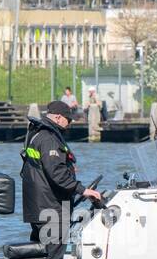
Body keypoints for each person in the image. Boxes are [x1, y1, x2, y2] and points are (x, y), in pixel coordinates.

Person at [20, 101, 103, 248]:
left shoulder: (38, 134)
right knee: (54, 257)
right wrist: (83, 190)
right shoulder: (49, 139)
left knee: (44, 254)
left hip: (38, 206)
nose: (70, 123)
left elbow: (45, 167)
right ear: (58, 117)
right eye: (68, 119)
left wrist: (69, 169)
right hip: (51, 209)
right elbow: (56, 173)